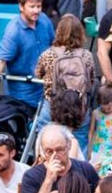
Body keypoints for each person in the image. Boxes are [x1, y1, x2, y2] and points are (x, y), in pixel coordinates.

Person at [0, 0, 55, 114]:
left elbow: (54, 45)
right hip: (23, 94)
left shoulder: (44, 20)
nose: (36, 11)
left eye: (39, 6)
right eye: (32, 7)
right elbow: (0, 62)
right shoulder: (14, 31)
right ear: (21, 7)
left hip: (46, 88)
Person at [32, 15, 97, 153]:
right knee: (80, 144)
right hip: (79, 107)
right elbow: (91, 81)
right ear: (80, 33)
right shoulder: (87, 56)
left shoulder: (48, 54)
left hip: (52, 105)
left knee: (46, 142)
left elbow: (38, 74)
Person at [88, 80, 112, 170]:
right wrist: (89, 149)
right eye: (103, 108)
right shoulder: (96, 113)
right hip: (99, 150)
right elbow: (91, 132)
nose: (106, 110)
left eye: (109, 107)